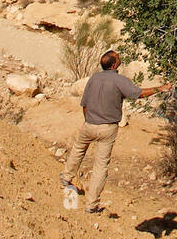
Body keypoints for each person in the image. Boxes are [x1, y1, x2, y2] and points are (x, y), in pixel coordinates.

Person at [61, 50, 171, 214]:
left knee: (78, 148)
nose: (120, 58)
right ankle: (91, 204)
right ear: (114, 65)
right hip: (108, 128)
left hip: (90, 123)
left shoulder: (94, 78)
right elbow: (139, 94)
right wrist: (160, 89)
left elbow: (84, 104)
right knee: (101, 165)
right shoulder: (119, 80)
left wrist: (87, 120)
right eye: (118, 58)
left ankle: (66, 176)